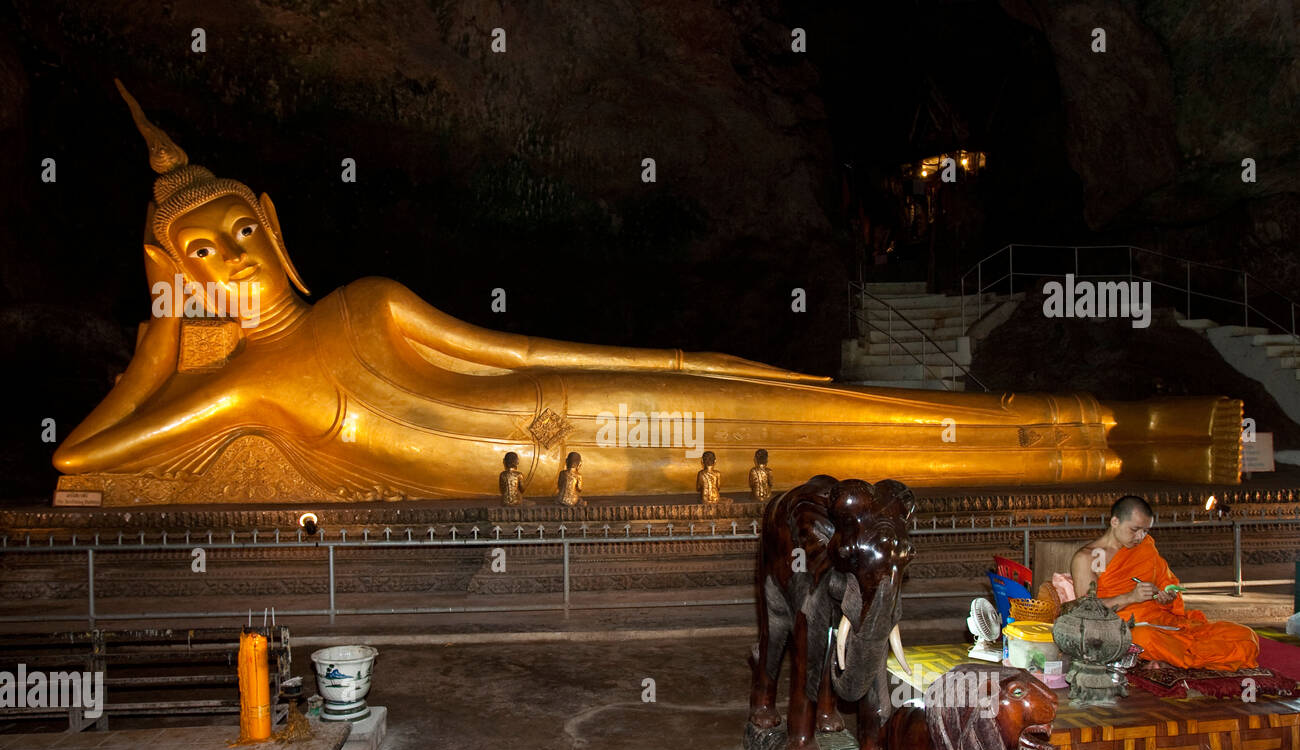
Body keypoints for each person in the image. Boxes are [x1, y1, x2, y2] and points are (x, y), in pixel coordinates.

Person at [54, 82, 1243, 505]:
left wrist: (685, 365)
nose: (227, 259)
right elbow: (85, 463)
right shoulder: (249, 387)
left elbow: (516, 355)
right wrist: (170, 332)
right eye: (196, 254)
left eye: (232, 230)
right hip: (545, 468)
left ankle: (1128, 437)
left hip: (590, 404)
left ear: (268, 218)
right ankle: (1100, 451)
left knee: (831, 412)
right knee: (839, 451)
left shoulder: (360, 303)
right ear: (178, 275)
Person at [1070, 495, 1258, 671]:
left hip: (1164, 623)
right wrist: (1130, 597)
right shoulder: (1088, 558)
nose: (1140, 537)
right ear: (1114, 522)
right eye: (1135, 530)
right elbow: (1087, 610)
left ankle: (1172, 657)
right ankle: (1175, 657)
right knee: (1143, 638)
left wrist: (1167, 596)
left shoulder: (1145, 548)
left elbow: (1167, 583)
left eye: (1145, 531)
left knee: (1245, 635)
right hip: (1124, 627)